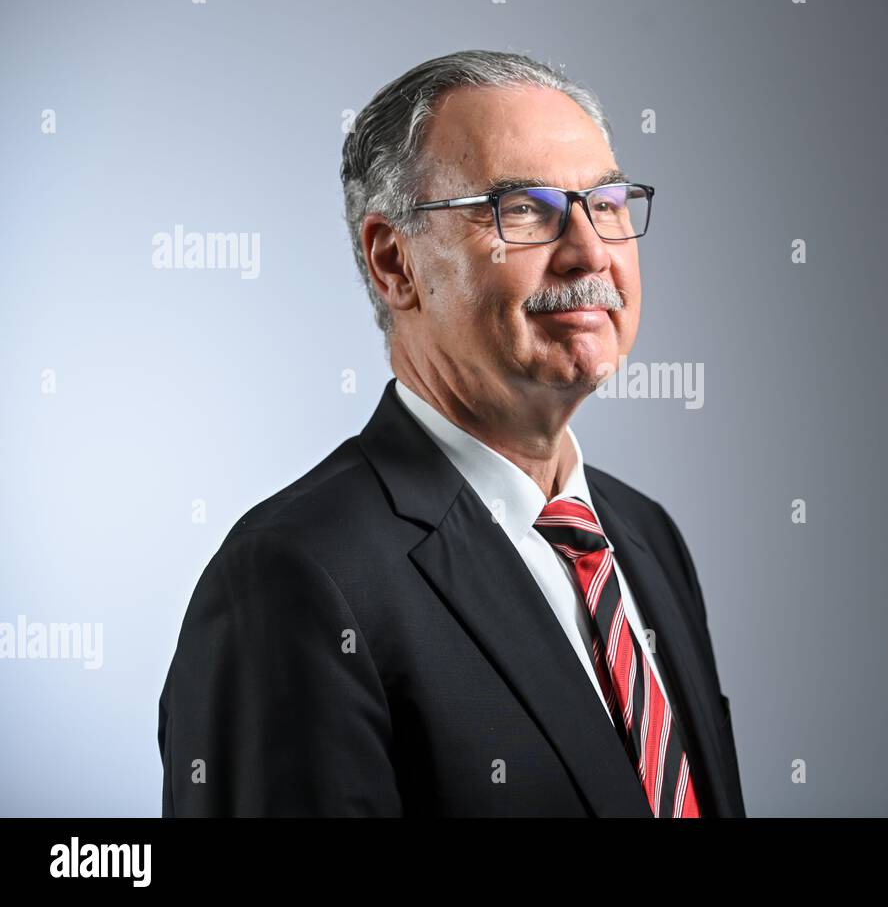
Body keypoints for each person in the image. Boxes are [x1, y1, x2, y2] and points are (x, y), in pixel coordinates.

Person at [157, 50, 745, 817]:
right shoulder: (290, 581)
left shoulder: (645, 538)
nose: (591, 252)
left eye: (605, 203)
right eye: (524, 209)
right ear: (393, 261)